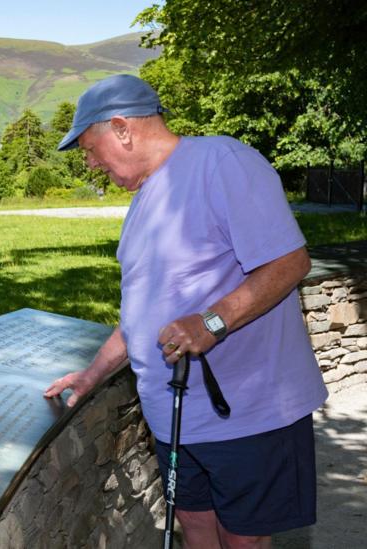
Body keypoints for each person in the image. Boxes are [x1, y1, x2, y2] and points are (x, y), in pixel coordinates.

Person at [43, 75, 327, 548]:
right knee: (194, 525)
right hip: (176, 414)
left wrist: (212, 321)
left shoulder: (223, 162)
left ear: (121, 128)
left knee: (243, 539)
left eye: (90, 148)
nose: (90, 163)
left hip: (248, 410)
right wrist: (93, 374)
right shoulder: (146, 197)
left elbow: (290, 261)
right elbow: (142, 311)